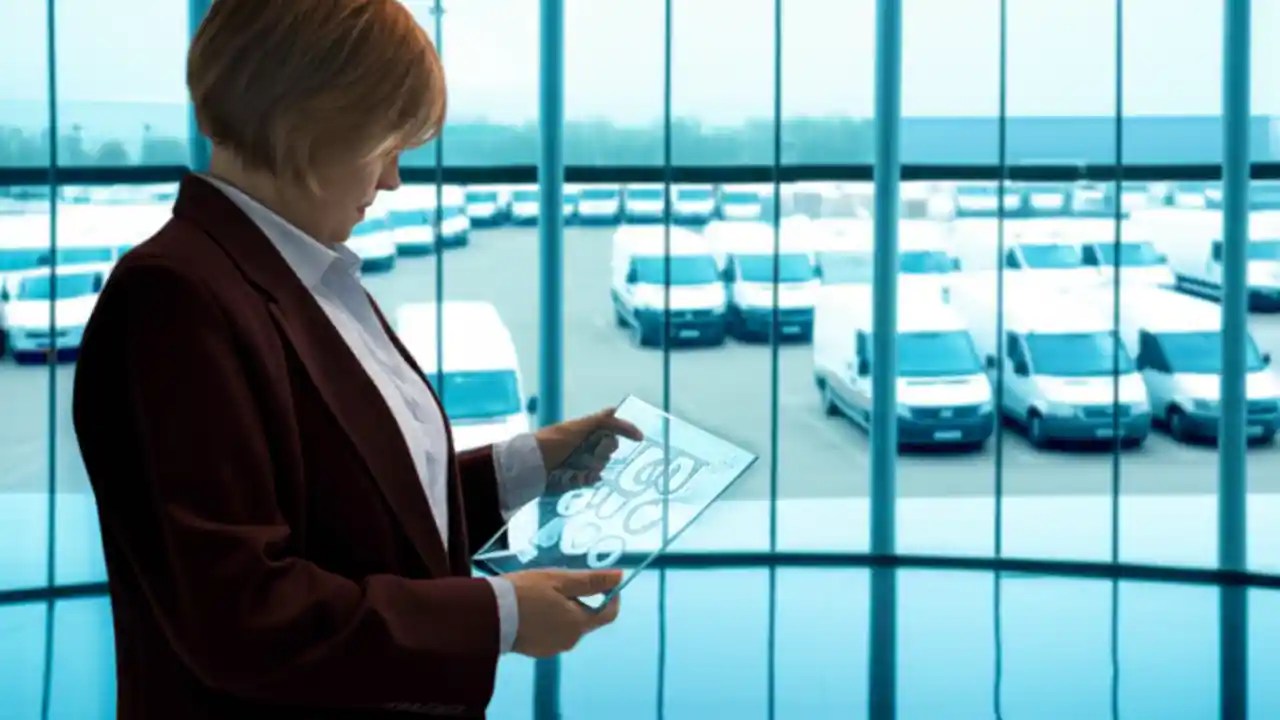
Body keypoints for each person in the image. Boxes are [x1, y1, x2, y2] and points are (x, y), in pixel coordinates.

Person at [70, 1, 640, 717]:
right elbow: (241, 615)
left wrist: (524, 464)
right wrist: (500, 615)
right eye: (386, 142)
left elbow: (356, 517)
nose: (396, 178)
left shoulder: (296, 273)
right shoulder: (175, 298)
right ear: (311, 123)